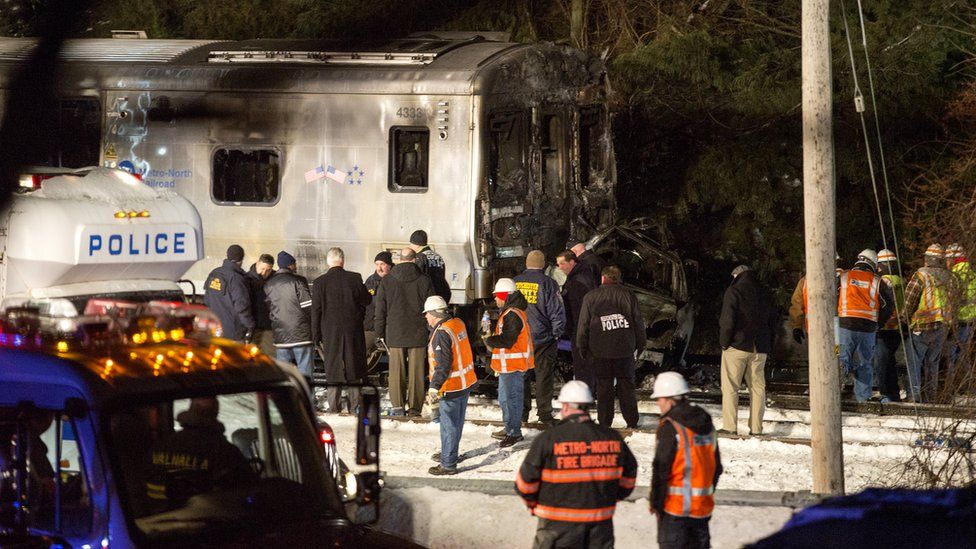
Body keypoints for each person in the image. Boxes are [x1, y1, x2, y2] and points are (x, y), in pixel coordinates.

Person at [515, 380, 638, 549]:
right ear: (588, 406)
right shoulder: (612, 437)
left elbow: (525, 484)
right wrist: (609, 496)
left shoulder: (548, 439)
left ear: (565, 406)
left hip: (557, 526)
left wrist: (533, 503)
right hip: (600, 524)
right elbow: (629, 475)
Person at [649, 372, 722, 549]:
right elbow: (716, 467)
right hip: (701, 511)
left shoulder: (671, 426)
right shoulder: (706, 423)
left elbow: (661, 469)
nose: (658, 404)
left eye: (659, 399)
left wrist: (656, 504)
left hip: (674, 511)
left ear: (670, 400)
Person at [146, 398, 252, 508]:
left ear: (191, 409)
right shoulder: (225, 451)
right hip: (207, 519)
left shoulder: (160, 446)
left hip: (156, 519)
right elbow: (248, 489)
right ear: (215, 414)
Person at [576, 266, 645, 428]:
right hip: (624, 349)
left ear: (602, 278)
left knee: (603, 387)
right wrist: (641, 344)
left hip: (600, 349)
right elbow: (638, 322)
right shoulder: (629, 295)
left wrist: (582, 346)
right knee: (627, 386)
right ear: (618, 278)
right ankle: (632, 420)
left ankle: (605, 421)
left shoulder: (591, 297)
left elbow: (583, 324)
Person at [375, 248, 436, 416]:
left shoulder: (387, 281)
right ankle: (415, 409)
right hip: (418, 332)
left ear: (400, 260)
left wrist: (379, 334)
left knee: (396, 372)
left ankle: (398, 407)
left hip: (395, 332)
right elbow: (432, 308)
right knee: (417, 373)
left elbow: (380, 310)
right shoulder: (425, 280)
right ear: (415, 260)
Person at [718, 264, 778, 434]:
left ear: (737, 275)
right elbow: (773, 321)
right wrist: (768, 345)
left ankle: (730, 427)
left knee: (731, 387)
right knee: (758, 388)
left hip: (737, 346)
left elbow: (727, 321)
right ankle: (757, 428)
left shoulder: (734, 291)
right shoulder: (765, 293)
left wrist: (724, 342)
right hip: (760, 348)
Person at [311, 247, 372, 413]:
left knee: (333, 369)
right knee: (354, 368)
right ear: (342, 261)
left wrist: (316, 336)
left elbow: (316, 311)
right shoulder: (354, 278)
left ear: (328, 262)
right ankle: (354, 407)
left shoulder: (319, 283)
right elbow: (366, 300)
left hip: (330, 333)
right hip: (353, 332)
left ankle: (334, 407)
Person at [423, 296, 478, 475]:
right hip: (465, 383)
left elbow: (443, 365)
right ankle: (450, 453)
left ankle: (448, 463)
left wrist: (434, 386)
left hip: (451, 386)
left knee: (448, 426)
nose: (426, 318)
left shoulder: (441, 333)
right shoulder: (457, 323)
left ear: (434, 314)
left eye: (427, 315)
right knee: (456, 423)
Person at [515, 250, 566, 425]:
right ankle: (544, 413)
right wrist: (557, 333)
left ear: (526, 264)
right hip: (543, 339)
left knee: (522, 377)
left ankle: (521, 413)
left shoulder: (514, 283)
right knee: (544, 376)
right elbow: (556, 311)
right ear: (543, 264)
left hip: (520, 339)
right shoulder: (549, 283)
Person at [836, 250, 894, 402]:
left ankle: (832, 393)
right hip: (868, 329)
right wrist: (878, 324)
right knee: (864, 364)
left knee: (840, 359)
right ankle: (863, 398)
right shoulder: (877, 281)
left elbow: (831, 297)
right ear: (873, 264)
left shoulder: (844, 277)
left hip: (844, 327)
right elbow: (888, 305)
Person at [485, 278, 534, 447]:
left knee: (511, 399)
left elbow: (507, 340)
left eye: (497, 296)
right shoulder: (512, 312)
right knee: (506, 399)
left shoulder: (512, 314)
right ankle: (510, 428)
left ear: (505, 296)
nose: (495, 300)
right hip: (509, 366)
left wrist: (489, 340)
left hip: (514, 367)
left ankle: (514, 432)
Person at [903, 243, 954, 402]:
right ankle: (931, 397)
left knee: (914, 362)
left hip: (922, 326)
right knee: (933, 363)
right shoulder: (950, 277)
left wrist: (903, 317)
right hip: (942, 326)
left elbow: (910, 299)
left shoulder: (921, 275)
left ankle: (914, 396)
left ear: (927, 259)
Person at [264, 251, 314, 380]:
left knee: (284, 375)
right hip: (301, 335)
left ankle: (285, 400)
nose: (296, 266)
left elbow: (268, 308)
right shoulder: (299, 281)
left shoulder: (269, 284)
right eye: (294, 263)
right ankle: (306, 399)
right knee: (305, 375)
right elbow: (308, 306)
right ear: (290, 265)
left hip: (280, 336)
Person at [557, 250, 598, 391]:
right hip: (584, 328)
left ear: (572, 262)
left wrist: (571, 328)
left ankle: (585, 396)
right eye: (558, 264)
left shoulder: (577, 281)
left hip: (581, 329)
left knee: (583, 365)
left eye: (562, 263)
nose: (560, 267)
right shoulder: (583, 275)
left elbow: (578, 308)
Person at [873, 249, 906, 403]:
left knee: (882, 365)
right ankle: (894, 394)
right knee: (890, 363)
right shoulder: (900, 280)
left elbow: (884, 305)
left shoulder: (884, 281)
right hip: (897, 328)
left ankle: (887, 395)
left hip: (885, 328)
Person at [203, 244, 255, 342]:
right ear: (241, 259)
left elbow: (207, 301)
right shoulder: (236, 279)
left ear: (227, 255)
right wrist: (250, 325)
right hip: (233, 333)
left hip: (215, 329)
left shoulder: (214, 273)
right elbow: (242, 307)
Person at [945, 243, 976, 387]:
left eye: (947, 259)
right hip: (970, 320)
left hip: (957, 321)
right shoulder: (972, 273)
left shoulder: (954, 275)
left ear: (953, 259)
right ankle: (968, 385)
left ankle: (950, 386)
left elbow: (951, 299)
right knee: (963, 354)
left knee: (951, 356)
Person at [364, 251, 394, 356]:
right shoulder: (370, 281)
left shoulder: (395, 280)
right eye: (377, 264)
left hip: (390, 327)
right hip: (371, 327)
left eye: (382, 264)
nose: (379, 268)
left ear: (390, 265)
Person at [246, 254, 276, 355]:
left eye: (268, 270)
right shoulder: (247, 279)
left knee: (270, 359)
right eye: (262, 269)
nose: (264, 273)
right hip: (253, 326)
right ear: (257, 264)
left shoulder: (276, 279)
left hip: (269, 327)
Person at [410, 229, 451, 302]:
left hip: (429, 297)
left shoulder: (420, 257)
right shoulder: (437, 256)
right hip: (441, 295)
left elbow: (418, 279)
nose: (410, 246)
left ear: (417, 244)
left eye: (411, 244)